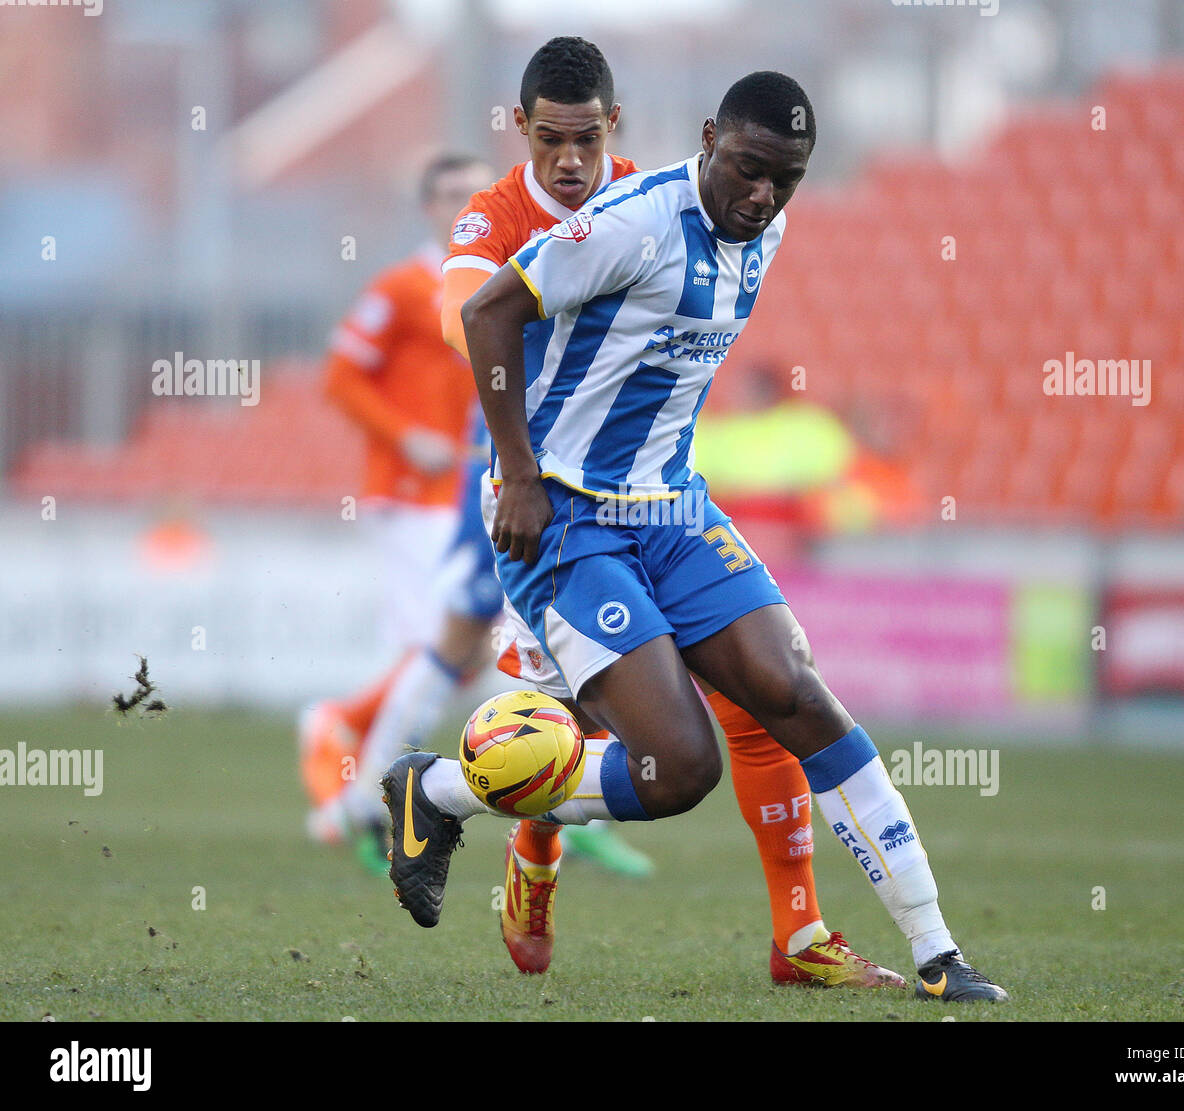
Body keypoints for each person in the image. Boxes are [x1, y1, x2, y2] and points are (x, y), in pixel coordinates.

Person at [389, 58, 1004, 1002]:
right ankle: (438, 791)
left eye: (785, 178)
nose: (762, 194)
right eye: (748, 168)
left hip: (674, 507)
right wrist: (515, 473)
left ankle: (937, 952)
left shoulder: (771, 221)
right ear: (709, 139)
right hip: (567, 513)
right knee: (677, 768)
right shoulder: (632, 223)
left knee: (796, 694)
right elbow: (484, 311)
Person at [299, 154, 492, 874]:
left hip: (468, 495)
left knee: (459, 653)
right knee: (446, 645)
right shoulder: (401, 286)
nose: (461, 205)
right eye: (448, 194)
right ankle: (363, 778)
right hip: (409, 493)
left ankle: (345, 732)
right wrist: (404, 433)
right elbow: (340, 376)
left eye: (475, 192)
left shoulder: (493, 283)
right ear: (427, 206)